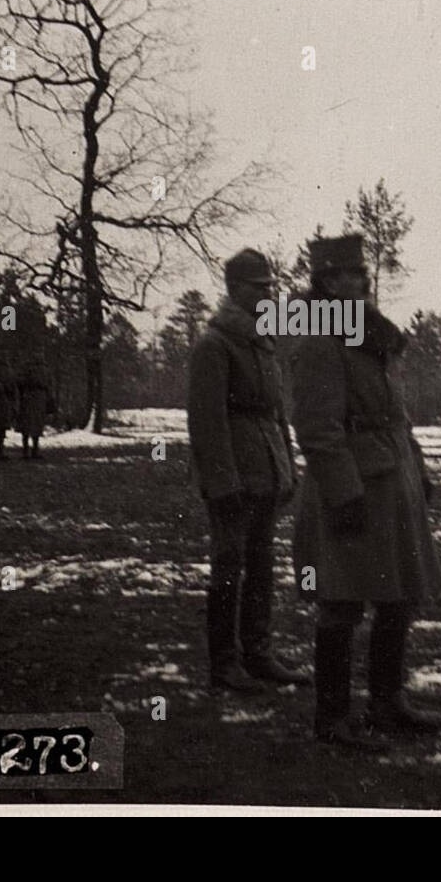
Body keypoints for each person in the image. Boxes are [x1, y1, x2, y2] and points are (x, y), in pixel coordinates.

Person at [288, 235, 441, 750]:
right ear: (326, 283)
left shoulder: (369, 336)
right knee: (341, 602)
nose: (362, 281)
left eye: (362, 273)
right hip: (352, 487)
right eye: (349, 275)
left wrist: (416, 466)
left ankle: (386, 702)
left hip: (391, 482)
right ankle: (332, 719)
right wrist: (344, 492)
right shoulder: (319, 338)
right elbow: (316, 426)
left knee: (398, 597)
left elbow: (395, 413)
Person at [187, 249, 308, 693]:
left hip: (266, 472)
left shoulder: (262, 342)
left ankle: (258, 654)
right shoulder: (214, 345)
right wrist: (222, 483)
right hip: (235, 478)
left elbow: (277, 412)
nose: (267, 295)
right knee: (228, 567)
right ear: (234, 289)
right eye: (259, 288)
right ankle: (224, 664)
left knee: (260, 566)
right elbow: (207, 422)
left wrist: (287, 467)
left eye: (269, 288)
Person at [17, 353, 52, 460]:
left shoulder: (28, 369)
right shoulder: (43, 370)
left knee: (30, 425)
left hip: (32, 399)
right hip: (35, 399)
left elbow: (20, 382)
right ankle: (32, 451)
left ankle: (27, 451)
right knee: (34, 425)